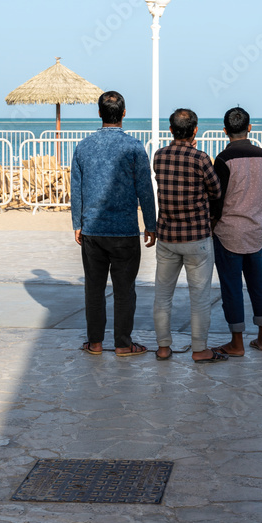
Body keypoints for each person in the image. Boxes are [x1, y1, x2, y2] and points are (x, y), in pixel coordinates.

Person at [71, 91, 157, 357]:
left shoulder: (83, 146)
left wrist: (77, 222)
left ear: (99, 113)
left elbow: (76, 189)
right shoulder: (134, 147)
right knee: (124, 291)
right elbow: (145, 189)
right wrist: (150, 224)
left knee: (94, 289)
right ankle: (122, 344)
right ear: (123, 113)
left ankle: (95, 343)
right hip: (124, 231)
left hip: (93, 230)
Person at [152, 108, 226, 363]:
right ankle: (199, 350)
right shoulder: (201, 158)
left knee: (162, 297)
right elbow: (216, 191)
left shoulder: (159, 156)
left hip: (167, 237)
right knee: (200, 298)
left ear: (170, 129)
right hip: (197, 237)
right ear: (195, 130)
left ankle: (163, 348)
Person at [210, 107, 262, 356]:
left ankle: (236, 343)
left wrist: (213, 223)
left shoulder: (223, 160)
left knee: (232, 287)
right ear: (250, 127)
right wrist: (259, 214)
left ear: (225, 130)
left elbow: (217, 199)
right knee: (258, 284)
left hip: (228, 232)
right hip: (255, 230)